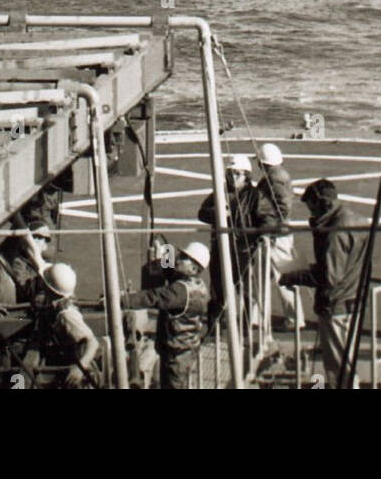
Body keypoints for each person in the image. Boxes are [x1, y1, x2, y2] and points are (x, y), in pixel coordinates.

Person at [281, 179, 368, 385]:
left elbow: (330, 276)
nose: (311, 214)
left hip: (336, 303)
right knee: (345, 364)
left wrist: (295, 276)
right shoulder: (353, 219)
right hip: (353, 297)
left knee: (339, 368)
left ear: (322, 203)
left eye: (312, 207)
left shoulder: (334, 232)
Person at [121, 241, 210, 390]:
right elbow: (171, 272)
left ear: (193, 268)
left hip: (175, 356)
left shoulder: (180, 291)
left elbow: (152, 297)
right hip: (186, 350)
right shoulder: (198, 285)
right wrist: (167, 249)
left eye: (183, 257)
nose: (179, 259)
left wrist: (121, 300)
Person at [253, 143, 304, 329]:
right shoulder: (281, 176)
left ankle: (285, 318)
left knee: (273, 276)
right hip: (280, 233)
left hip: (275, 235)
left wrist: (271, 227)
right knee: (278, 276)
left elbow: (284, 206)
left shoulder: (273, 180)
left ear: (262, 162)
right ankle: (291, 317)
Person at [27, 262, 101, 389]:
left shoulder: (67, 315)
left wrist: (80, 368)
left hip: (81, 372)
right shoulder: (59, 304)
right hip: (70, 360)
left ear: (48, 288)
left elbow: (93, 342)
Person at [198, 153, 257, 311]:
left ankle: (246, 329)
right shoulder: (220, 192)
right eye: (230, 173)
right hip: (220, 248)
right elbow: (202, 213)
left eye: (237, 173)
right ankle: (214, 328)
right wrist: (219, 214)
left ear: (247, 176)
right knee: (217, 291)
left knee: (246, 291)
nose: (233, 177)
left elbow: (263, 219)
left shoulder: (255, 196)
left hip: (243, 250)